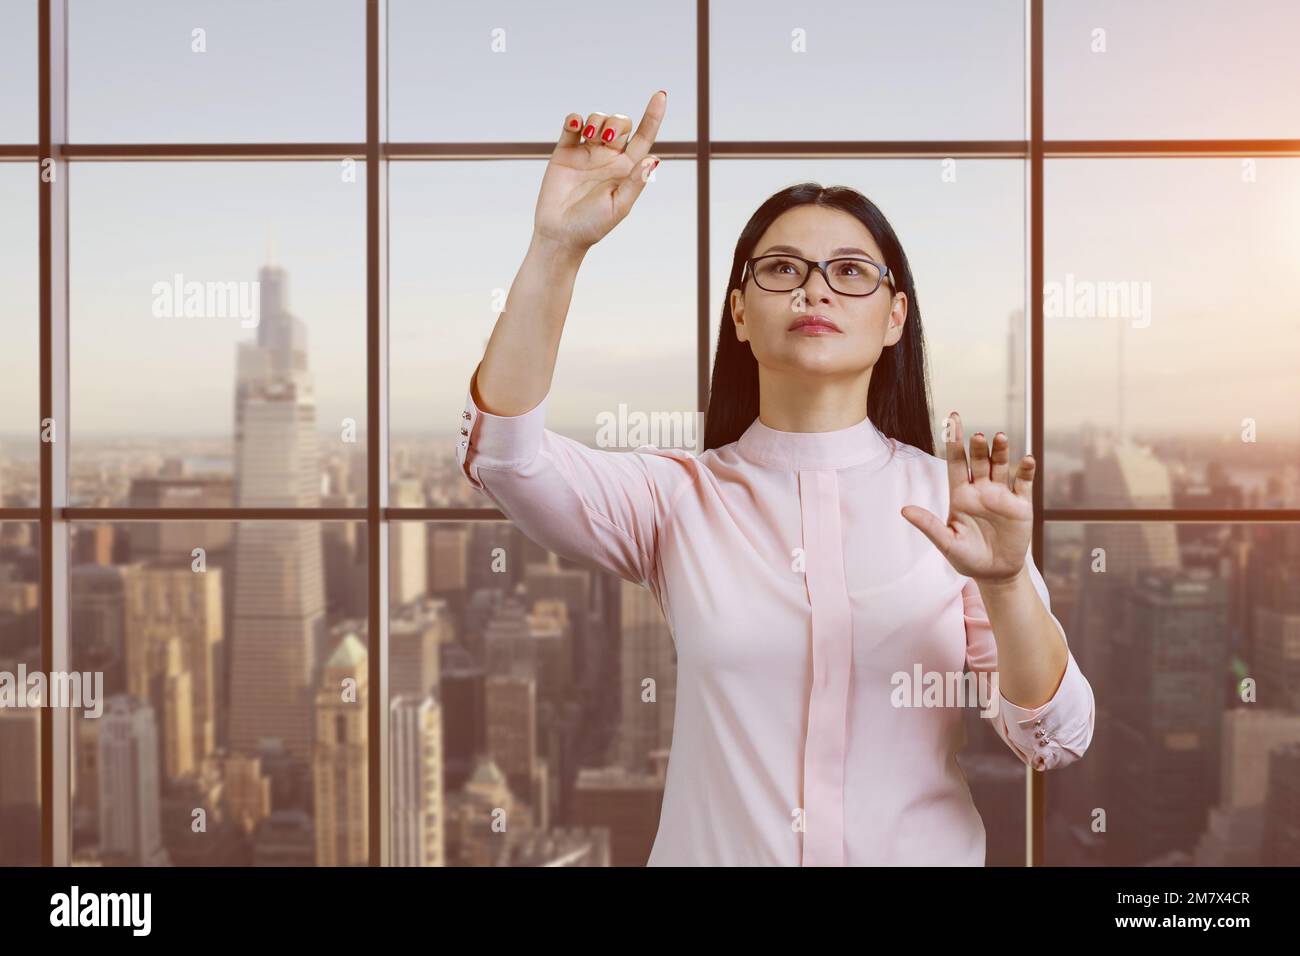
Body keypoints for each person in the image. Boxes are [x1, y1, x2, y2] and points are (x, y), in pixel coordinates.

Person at [454, 90, 1095, 866]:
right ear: (739, 313)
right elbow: (507, 457)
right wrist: (557, 245)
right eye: (784, 269)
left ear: (895, 318)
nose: (815, 289)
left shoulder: (951, 505)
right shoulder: (676, 498)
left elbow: (1052, 736)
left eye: (851, 272)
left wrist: (1004, 582)